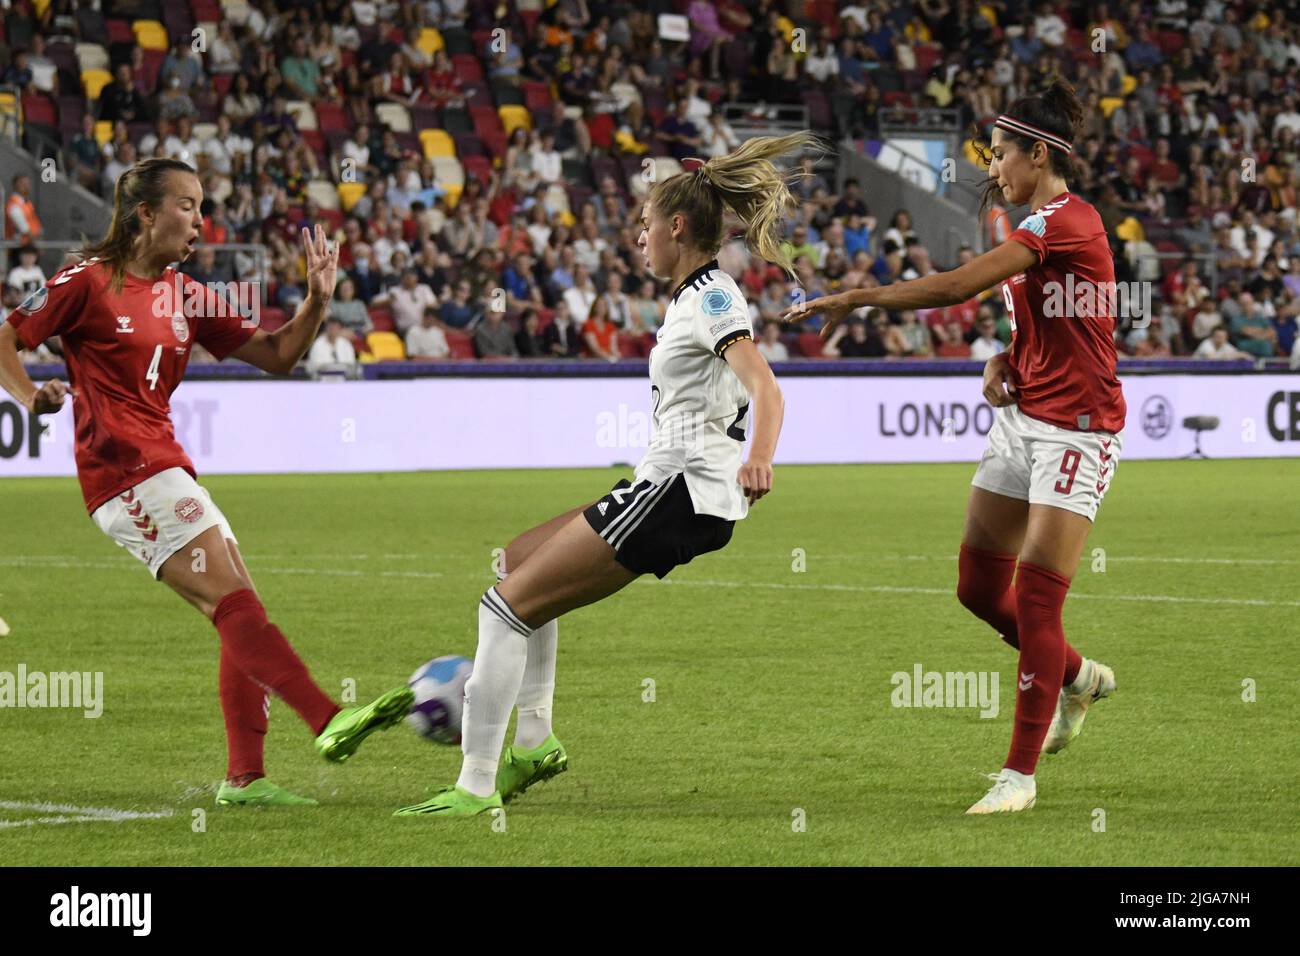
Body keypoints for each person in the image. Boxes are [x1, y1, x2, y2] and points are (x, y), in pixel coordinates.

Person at [393, 134, 809, 817]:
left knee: (502, 609)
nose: (640, 237)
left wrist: (760, 454)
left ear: (676, 227)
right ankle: (534, 740)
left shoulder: (711, 297)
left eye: (646, 224)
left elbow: (766, 386)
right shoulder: (691, 297)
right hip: (669, 485)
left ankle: (473, 787)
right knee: (518, 562)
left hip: (680, 490)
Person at [0, 158, 411, 808]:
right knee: (236, 603)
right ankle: (329, 717)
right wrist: (30, 398)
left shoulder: (186, 294)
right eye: (187, 205)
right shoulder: (86, 279)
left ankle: (245, 780)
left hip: (164, 465)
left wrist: (318, 301)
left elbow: (277, 356)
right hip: (121, 471)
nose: (200, 219)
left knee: (238, 606)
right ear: (144, 214)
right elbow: (5, 338)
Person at [785, 79, 1124, 815]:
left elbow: (958, 287)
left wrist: (855, 296)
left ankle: (1019, 777)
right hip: (1023, 413)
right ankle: (1076, 678)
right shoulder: (1031, 219)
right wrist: (1005, 358)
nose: (993, 166)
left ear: (1039, 152)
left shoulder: (1068, 220)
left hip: (1078, 430)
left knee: (1036, 599)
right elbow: (1040, 319)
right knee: (976, 587)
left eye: (1001, 154)